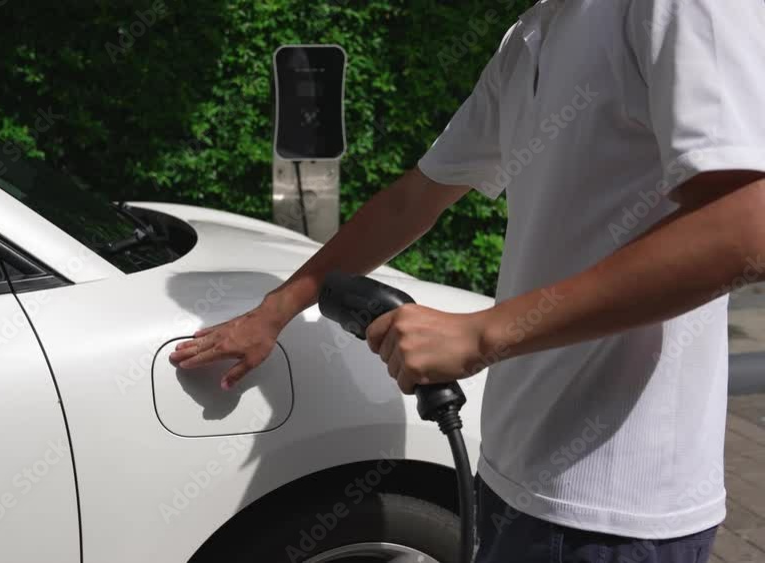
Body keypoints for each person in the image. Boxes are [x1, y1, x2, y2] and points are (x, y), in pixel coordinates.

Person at [170, 0, 765, 561]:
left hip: (611, 512)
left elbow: (747, 228)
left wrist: (481, 334)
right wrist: (275, 310)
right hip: (512, 477)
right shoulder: (534, 32)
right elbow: (415, 200)